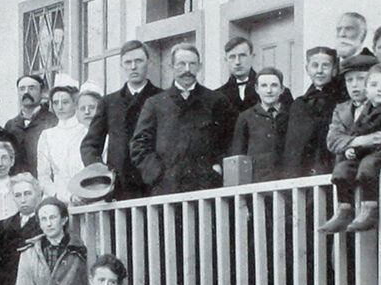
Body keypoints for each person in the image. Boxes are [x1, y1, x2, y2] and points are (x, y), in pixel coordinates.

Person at [130, 42, 237, 196]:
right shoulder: (155, 103)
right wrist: (158, 175)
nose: (187, 70)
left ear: (199, 66)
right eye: (181, 64)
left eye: (192, 64)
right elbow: (139, 145)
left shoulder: (216, 101)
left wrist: (219, 167)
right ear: (171, 66)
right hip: (168, 190)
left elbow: (231, 139)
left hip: (207, 188)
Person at [319, 63, 381, 233]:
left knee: (367, 167)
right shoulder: (365, 110)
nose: (379, 90)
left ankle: (369, 208)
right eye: (373, 85)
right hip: (364, 153)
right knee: (342, 169)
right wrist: (354, 148)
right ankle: (344, 210)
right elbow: (356, 134)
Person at [79, 40, 162, 200]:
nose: (133, 67)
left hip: (154, 186)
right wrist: (101, 172)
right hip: (120, 187)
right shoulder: (109, 102)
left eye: (138, 61)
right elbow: (90, 145)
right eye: (128, 62)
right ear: (122, 66)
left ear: (148, 63)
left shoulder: (162, 98)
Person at [283, 46, 345, 177]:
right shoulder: (299, 104)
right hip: (305, 172)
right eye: (315, 66)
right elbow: (293, 147)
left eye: (325, 66)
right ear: (307, 69)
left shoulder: (342, 100)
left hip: (334, 169)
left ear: (334, 70)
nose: (320, 71)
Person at [0, 173, 42, 285]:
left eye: (28, 193)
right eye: (18, 195)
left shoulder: (45, 225)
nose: (23, 199)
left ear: (38, 195)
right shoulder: (2, 227)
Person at [228, 67, 290, 182]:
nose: (269, 90)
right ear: (257, 89)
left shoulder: (291, 115)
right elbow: (238, 154)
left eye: (274, 85)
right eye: (264, 86)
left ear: (282, 89)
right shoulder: (246, 117)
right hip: (257, 183)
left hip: (285, 181)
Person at [37, 83, 92, 203]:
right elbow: (43, 176)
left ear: (75, 104)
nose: (60, 107)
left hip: (86, 196)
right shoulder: (47, 135)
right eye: (56, 103)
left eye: (65, 102)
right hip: (58, 199)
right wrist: (62, 196)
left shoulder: (86, 131)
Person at [214, 36, 293, 113]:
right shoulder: (218, 95)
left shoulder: (279, 92)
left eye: (242, 56)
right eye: (232, 57)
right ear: (226, 60)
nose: (237, 62)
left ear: (252, 57)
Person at [327, 53, 380, 162]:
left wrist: (347, 142)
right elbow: (332, 141)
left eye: (361, 78)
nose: (354, 85)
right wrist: (362, 140)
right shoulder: (341, 110)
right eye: (349, 80)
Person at [4, 74, 58, 175]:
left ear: (42, 92)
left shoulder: (53, 121)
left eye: (32, 88)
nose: (26, 92)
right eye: (22, 89)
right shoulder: (10, 125)